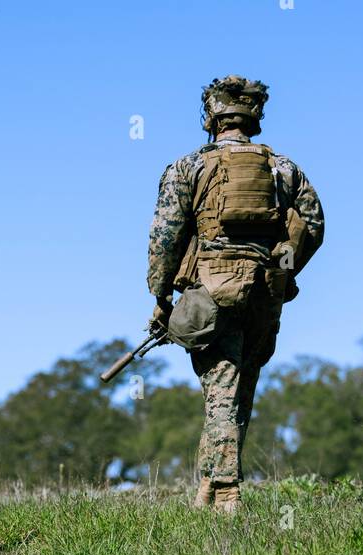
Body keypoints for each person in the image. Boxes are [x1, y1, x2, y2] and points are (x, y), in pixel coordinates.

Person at [147, 76, 325, 511]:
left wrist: (160, 295)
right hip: (265, 289)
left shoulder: (187, 166)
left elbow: (165, 237)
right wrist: (283, 274)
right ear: (254, 117)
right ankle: (208, 489)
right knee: (240, 387)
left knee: (220, 387)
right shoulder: (283, 168)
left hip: (210, 290)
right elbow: (314, 227)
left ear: (212, 116)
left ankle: (227, 491)